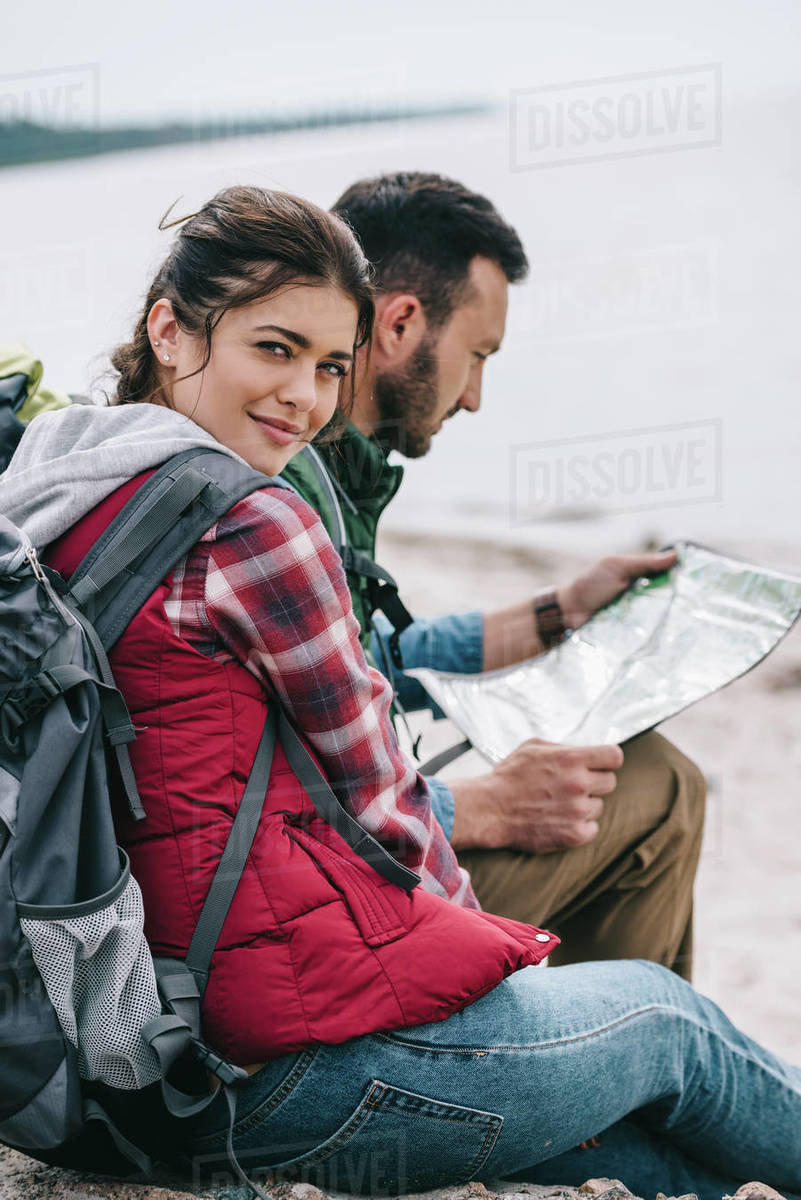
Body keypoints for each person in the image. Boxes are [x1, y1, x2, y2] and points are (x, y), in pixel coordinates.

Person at [1, 185, 798, 1200]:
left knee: (659, 1160)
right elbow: (386, 803)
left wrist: (553, 608)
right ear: (170, 329)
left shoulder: (60, 491)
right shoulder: (253, 522)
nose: (304, 397)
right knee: (670, 1024)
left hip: (117, 1052)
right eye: (275, 349)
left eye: (329, 366)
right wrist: (486, 989)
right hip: (264, 1071)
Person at [282, 171, 706, 979]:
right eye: (476, 355)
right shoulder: (287, 493)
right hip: (325, 929)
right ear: (402, 322)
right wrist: (478, 807)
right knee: (658, 789)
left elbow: (372, 660)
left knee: (636, 767)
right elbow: (267, 792)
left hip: (333, 884)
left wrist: (558, 611)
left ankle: (619, 1057)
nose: (474, 397)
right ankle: (628, 1064)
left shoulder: (327, 472)